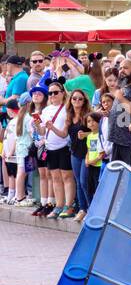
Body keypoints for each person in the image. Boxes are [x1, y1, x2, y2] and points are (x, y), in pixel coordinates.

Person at [41, 82, 76, 218]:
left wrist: (52, 128)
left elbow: (64, 134)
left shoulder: (67, 109)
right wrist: (37, 125)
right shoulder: (46, 110)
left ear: (62, 93)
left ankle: (69, 206)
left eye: (55, 92)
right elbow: (42, 132)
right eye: (50, 93)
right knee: (55, 177)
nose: (52, 95)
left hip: (64, 147)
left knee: (67, 177)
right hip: (50, 147)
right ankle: (59, 206)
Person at [66, 88, 91, 223]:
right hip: (75, 153)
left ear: (84, 101)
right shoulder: (69, 116)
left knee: (84, 181)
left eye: (80, 99)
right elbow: (64, 134)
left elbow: (98, 132)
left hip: (88, 153)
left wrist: (85, 134)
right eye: (74, 98)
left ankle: (91, 208)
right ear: (70, 100)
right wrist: (51, 128)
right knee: (78, 182)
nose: (77, 101)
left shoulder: (88, 115)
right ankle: (83, 209)